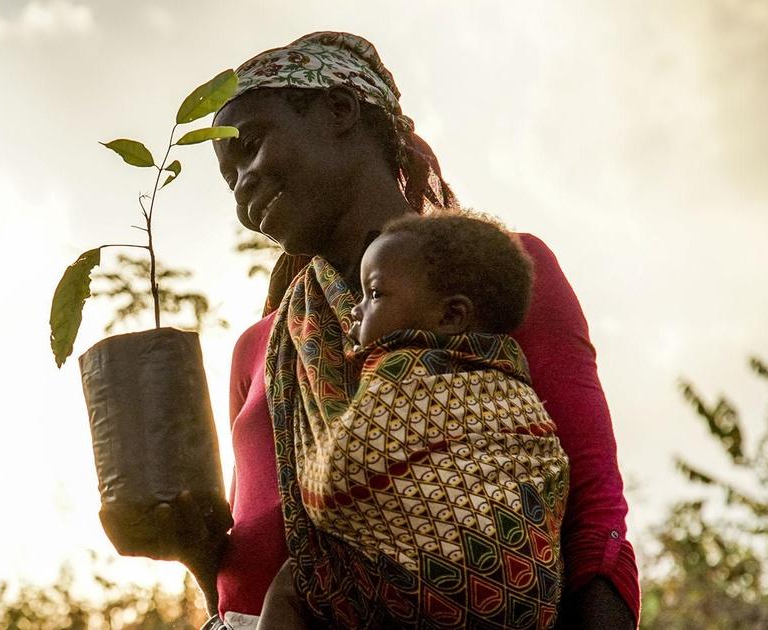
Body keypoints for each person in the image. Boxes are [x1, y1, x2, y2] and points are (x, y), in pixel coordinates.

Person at [172, 32, 637, 629]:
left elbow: (593, 510)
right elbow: (251, 561)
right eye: (228, 177)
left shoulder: (496, 275)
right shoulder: (258, 349)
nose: (242, 187)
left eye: (252, 146)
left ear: (341, 110)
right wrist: (191, 547)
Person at [256, 212, 570, 629]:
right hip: (531, 594)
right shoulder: (512, 378)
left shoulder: (402, 370)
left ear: (451, 315)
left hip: (450, 588)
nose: (356, 310)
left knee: (298, 580)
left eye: (374, 295)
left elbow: (340, 475)